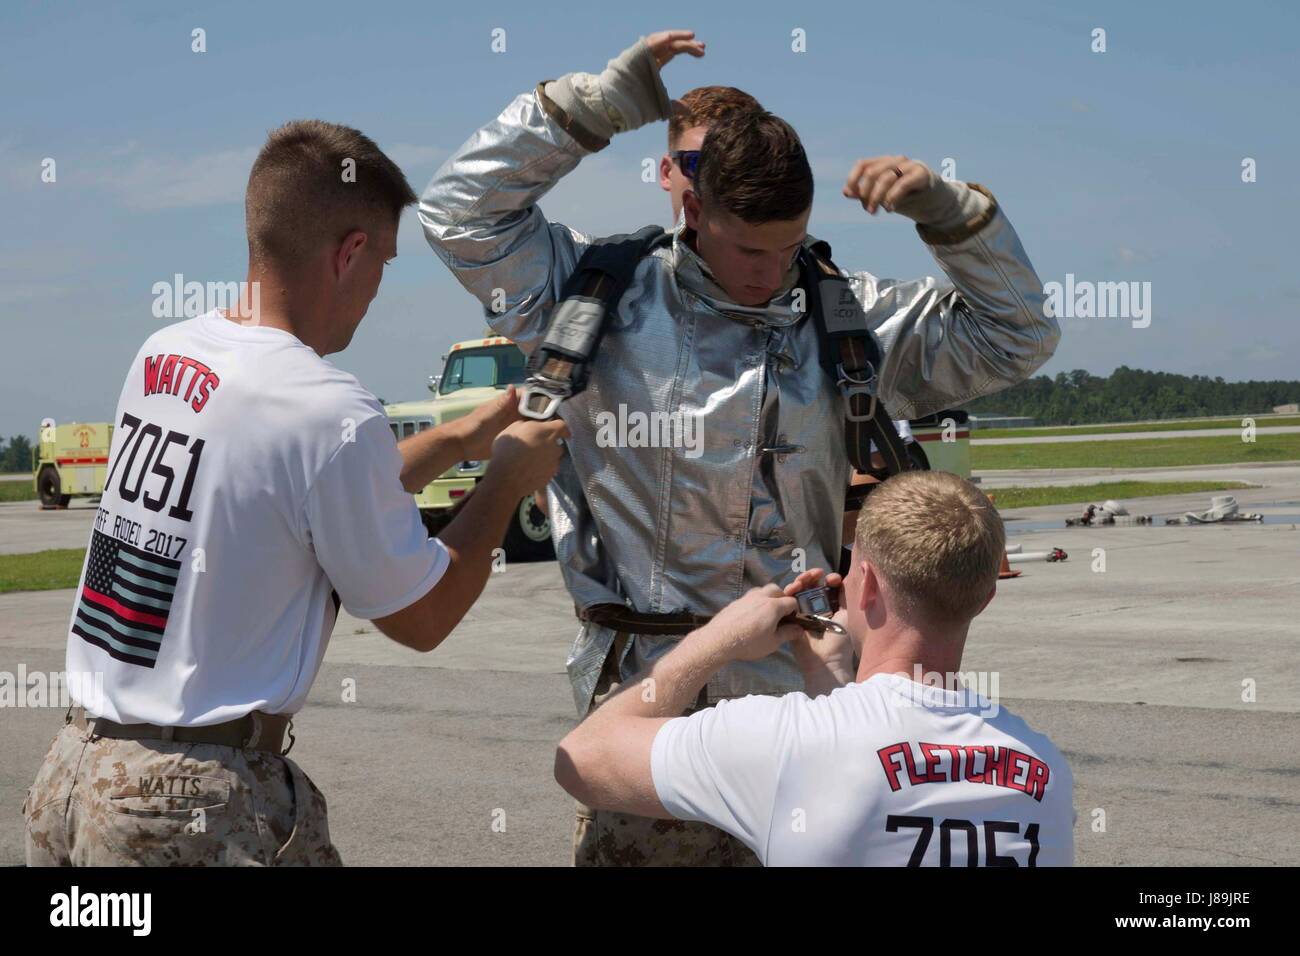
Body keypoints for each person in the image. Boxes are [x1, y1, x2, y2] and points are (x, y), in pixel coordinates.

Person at [421, 29, 1059, 865]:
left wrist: (953, 216)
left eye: (788, 247)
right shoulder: (593, 295)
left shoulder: (846, 316)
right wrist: (587, 107)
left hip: (812, 715)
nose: (769, 271)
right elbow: (457, 214)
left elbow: (1018, 335)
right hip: (649, 710)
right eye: (748, 248)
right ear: (691, 208)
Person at [23, 119, 568, 866]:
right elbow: (424, 615)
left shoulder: (163, 356)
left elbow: (287, 502)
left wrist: (457, 440)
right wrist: (507, 476)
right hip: (186, 808)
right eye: (382, 262)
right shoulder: (327, 408)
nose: (378, 289)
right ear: (350, 254)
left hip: (74, 774)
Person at [555, 471, 1075, 866]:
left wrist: (717, 639)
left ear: (866, 584)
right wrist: (829, 680)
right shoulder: (1046, 772)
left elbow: (582, 757)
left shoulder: (785, 744)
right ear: (985, 598)